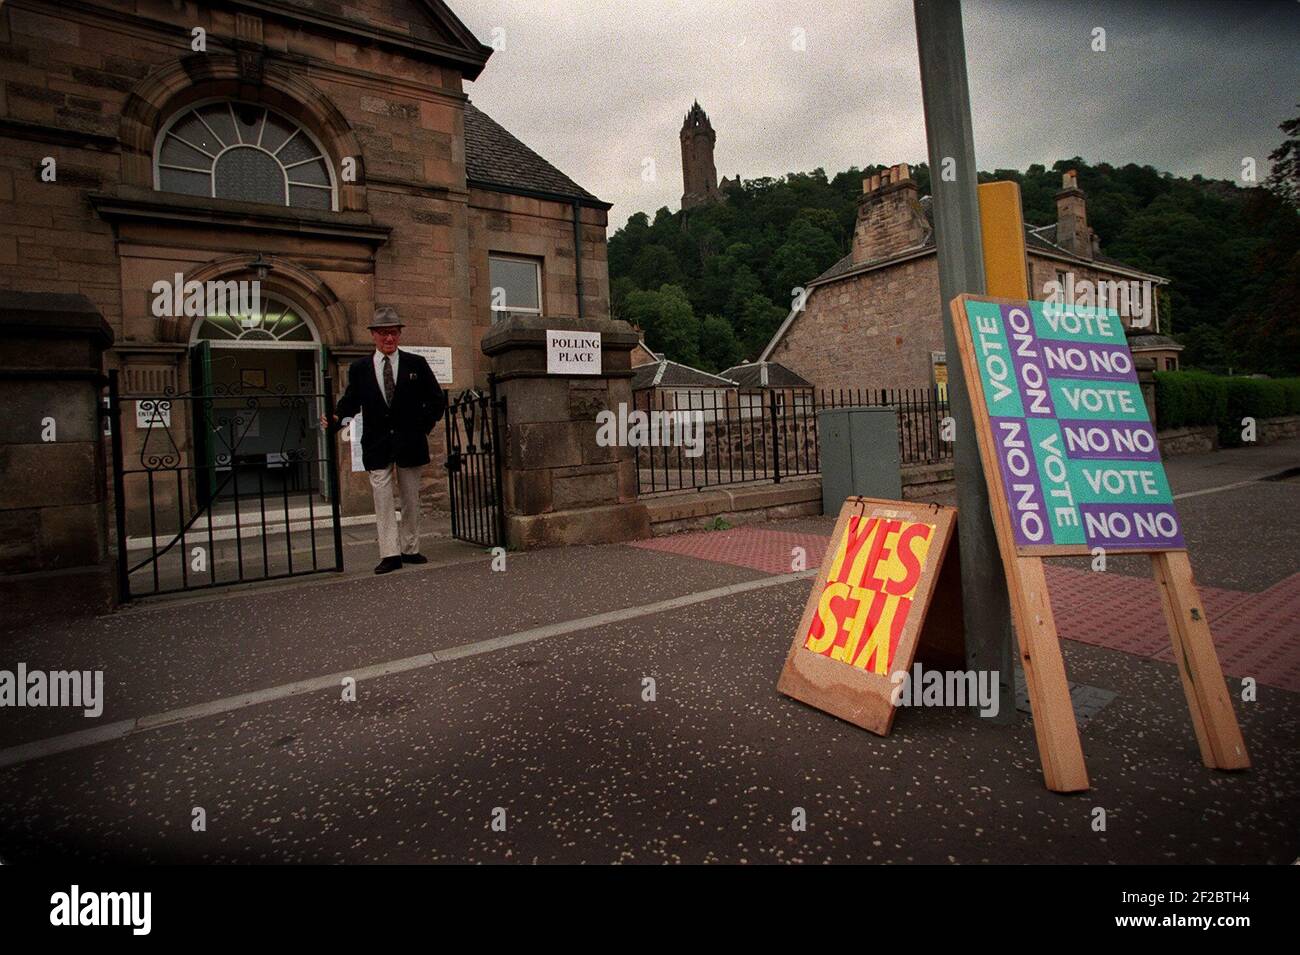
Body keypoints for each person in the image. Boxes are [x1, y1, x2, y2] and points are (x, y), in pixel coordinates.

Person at [321, 307, 446, 574]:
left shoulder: (416, 364)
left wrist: (422, 425)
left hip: (410, 443)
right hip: (377, 444)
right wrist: (335, 420)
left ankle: (410, 548)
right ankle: (390, 553)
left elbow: (436, 399)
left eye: (392, 332)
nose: (388, 338)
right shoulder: (360, 368)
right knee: (383, 499)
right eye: (382, 333)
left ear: (399, 334)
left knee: (411, 499)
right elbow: (351, 401)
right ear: (373, 335)